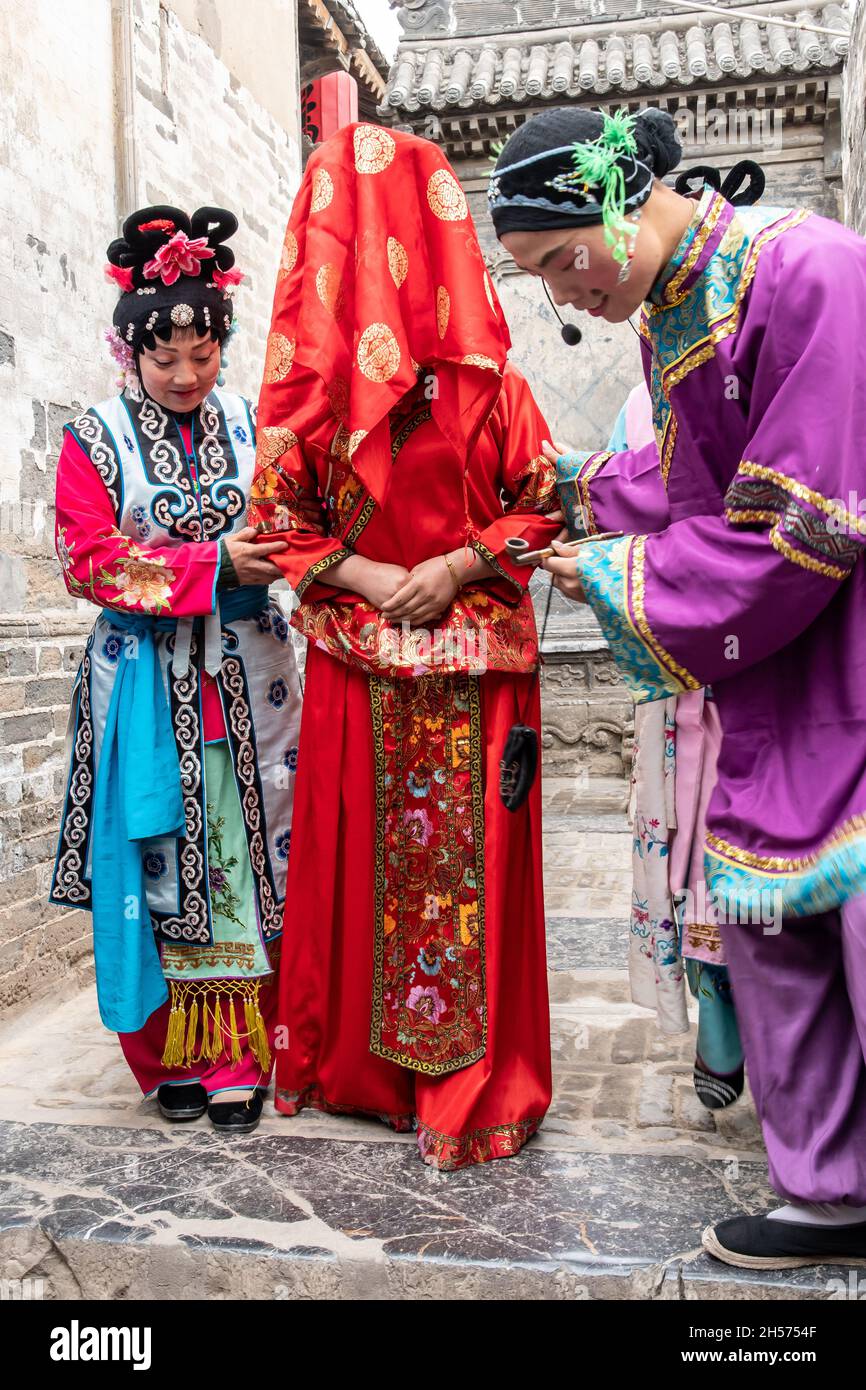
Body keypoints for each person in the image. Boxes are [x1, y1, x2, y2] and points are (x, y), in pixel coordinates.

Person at [490, 105, 866, 1267]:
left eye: (561, 263)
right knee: (763, 908)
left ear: (615, 204)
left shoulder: (809, 272)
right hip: (773, 664)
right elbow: (708, 485)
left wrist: (614, 567)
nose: (565, 296)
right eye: (541, 281)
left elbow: (806, 519)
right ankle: (827, 1190)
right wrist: (589, 496)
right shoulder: (673, 307)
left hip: (841, 643)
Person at [248, 123, 560, 1169]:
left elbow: (540, 508)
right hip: (356, 664)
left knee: (462, 880)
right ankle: (366, 1075)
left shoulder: (491, 386)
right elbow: (271, 527)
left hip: (470, 673)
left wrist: (460, 564)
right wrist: (373, 573)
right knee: (358, 875)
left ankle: (460, 1085)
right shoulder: (310, 401)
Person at [50, 205, 307, 1134]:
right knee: (157, 854)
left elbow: (301, 525)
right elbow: (88, 559)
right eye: (165, 361)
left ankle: (250, 1046)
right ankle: (168, 1052)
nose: (187, 376)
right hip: (147, 681)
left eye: (202, 356)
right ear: (132, 354)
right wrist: (217, 566)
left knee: (255, 852)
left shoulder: (261, 425)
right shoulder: (92, 440)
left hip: (254, 678)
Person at [608, 384, 745, 1109]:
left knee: (749, 854)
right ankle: (715, 990)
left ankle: (768, 1005)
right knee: (685, 853)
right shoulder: (637, 408)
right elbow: (613, 528)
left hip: (763, 663)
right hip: (675, 666)